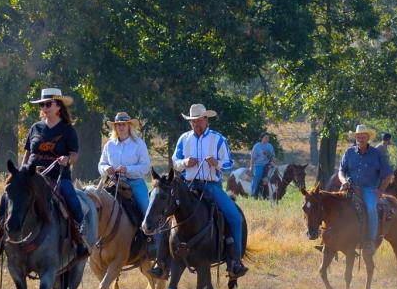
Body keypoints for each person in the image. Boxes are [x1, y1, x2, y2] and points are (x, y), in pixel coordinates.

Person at [0, 87, 87, 257]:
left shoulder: (67, 130)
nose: (44, 108)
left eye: (48, 104)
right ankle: (0, 236)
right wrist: (20, 174)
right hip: (31, 177)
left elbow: (74, 155)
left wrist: (67, 160)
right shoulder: (35, 128)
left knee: (70, 197)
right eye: (42, 105)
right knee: (6, 196)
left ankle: (79, 238)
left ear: (58, 106)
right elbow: (27, 154)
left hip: (57, 176)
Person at [159, 102, 247, 278]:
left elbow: (229, 166)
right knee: (165, 216)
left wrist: (217, 163)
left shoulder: (218, 139)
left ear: (206, 119)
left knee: (235, 217)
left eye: (198, 121)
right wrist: (185, 163)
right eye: (192, 121)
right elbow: (175, 162)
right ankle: (161, 263)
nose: (195, 124)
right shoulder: (184, 139)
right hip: (187, 186)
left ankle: (234, 261)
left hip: (211, 186)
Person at [337, 124, 393, 254]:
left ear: (368, 138)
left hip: (369, 189)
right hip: (350, 187)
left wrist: (380, 190)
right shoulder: (349, 152)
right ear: (355, 138)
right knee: (335, 204)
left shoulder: (376, 154)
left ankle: (370, 241)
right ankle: (330, 239)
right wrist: (344, 181)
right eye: (358, 137)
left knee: (371, 208)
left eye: (363, 137)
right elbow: (341, 171)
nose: (360, 139)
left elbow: (388, 174)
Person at [98, 111, 151, 215]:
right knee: (95, 205)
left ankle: (155, 231)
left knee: (147, 213)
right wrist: (106, 168)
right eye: (118, 125)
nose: (120, 127)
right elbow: (101, 164)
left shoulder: (139, 144)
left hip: (134, 183)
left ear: (129, 126)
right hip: (112, 182)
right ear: (115, 127)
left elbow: (145, 167)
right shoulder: (109, 145)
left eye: (123, 124)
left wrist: (127, 169)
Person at [249, 133, 275, 199]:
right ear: (262, 138)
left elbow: (273, 156)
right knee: (257, 176)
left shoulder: (270, 146)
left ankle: (274, 193)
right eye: (266, 138)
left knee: (276, 174)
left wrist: (272, 161)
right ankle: (253, 193)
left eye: (268, 138)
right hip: (258, 165)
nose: (267, 139)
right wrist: (251, 168)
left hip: (268, 164)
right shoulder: (257, 146)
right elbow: (253, 158)